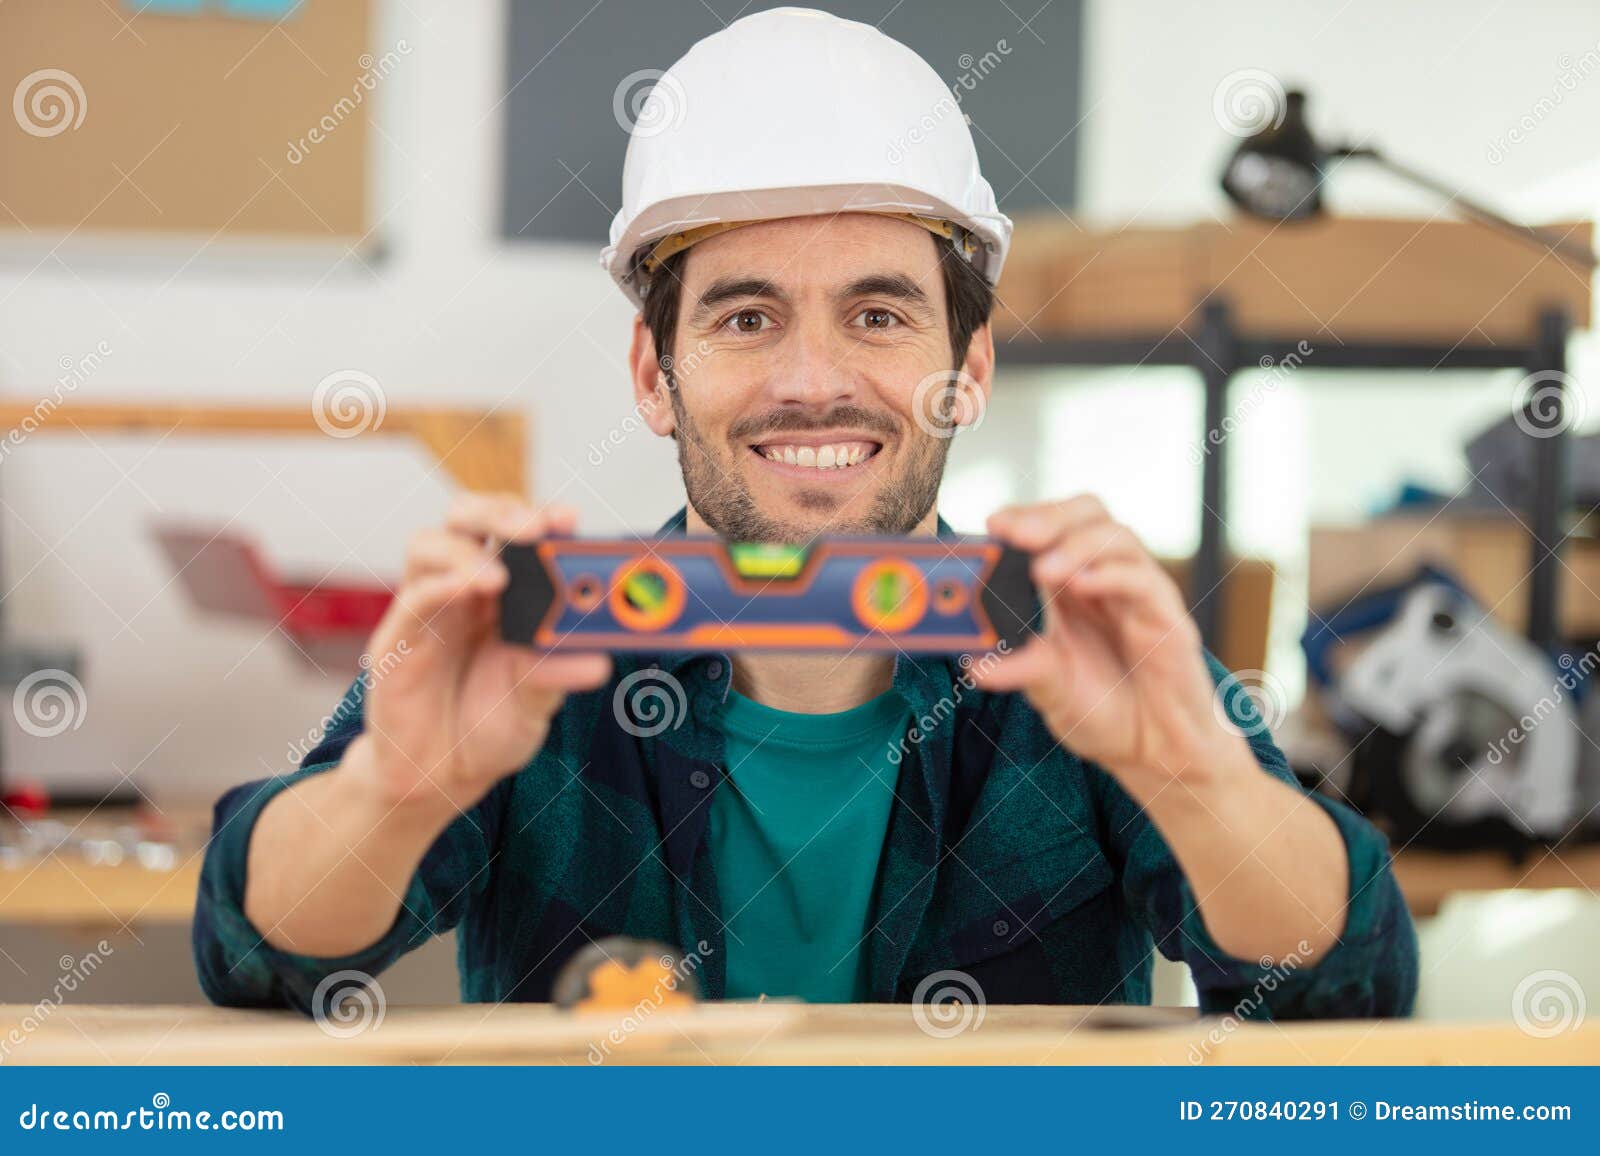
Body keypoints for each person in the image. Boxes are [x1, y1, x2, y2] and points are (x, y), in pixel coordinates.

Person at [194, 8, 1416, 1016]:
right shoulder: (534, 640)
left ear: (968, 368)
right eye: (746, 317)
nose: (812, 380)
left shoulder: (1074, 637)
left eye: (878, 315)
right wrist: (395, 790)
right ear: (653, 373)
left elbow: (1345, 983)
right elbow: (260, 956)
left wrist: (1195, 780)